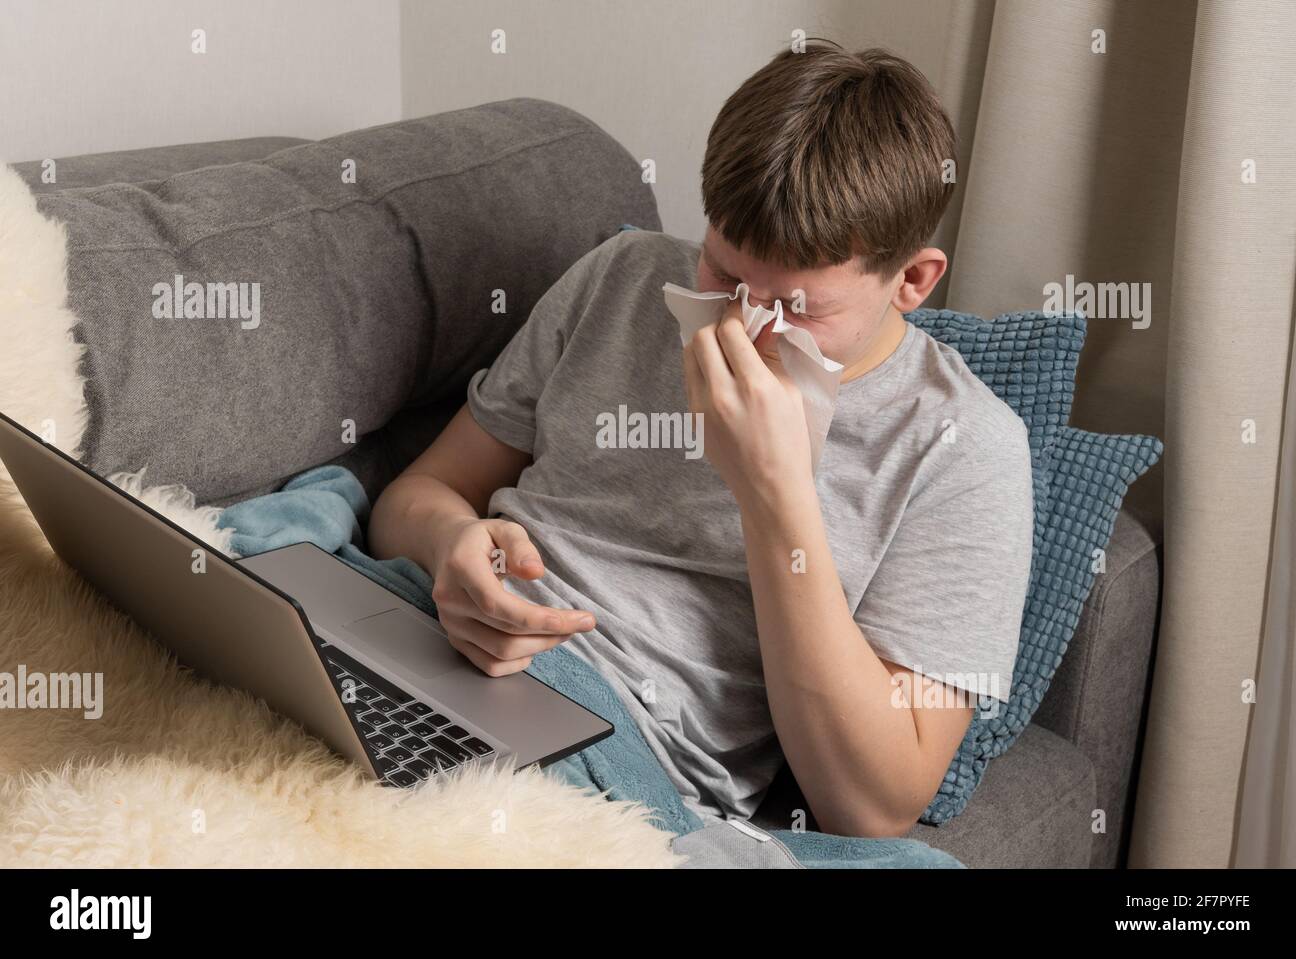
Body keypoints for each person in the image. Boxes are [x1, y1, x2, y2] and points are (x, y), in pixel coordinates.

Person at [370, 42, 1033, 838]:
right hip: (417, 646)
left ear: (913, 281)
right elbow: (410, 499)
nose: (741, 326)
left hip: (604, 757)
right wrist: (451, 548)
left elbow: (871, 805)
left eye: (794, 307)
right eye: (722, 273)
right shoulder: (620, 277)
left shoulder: (962, 448)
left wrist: (773, 492)